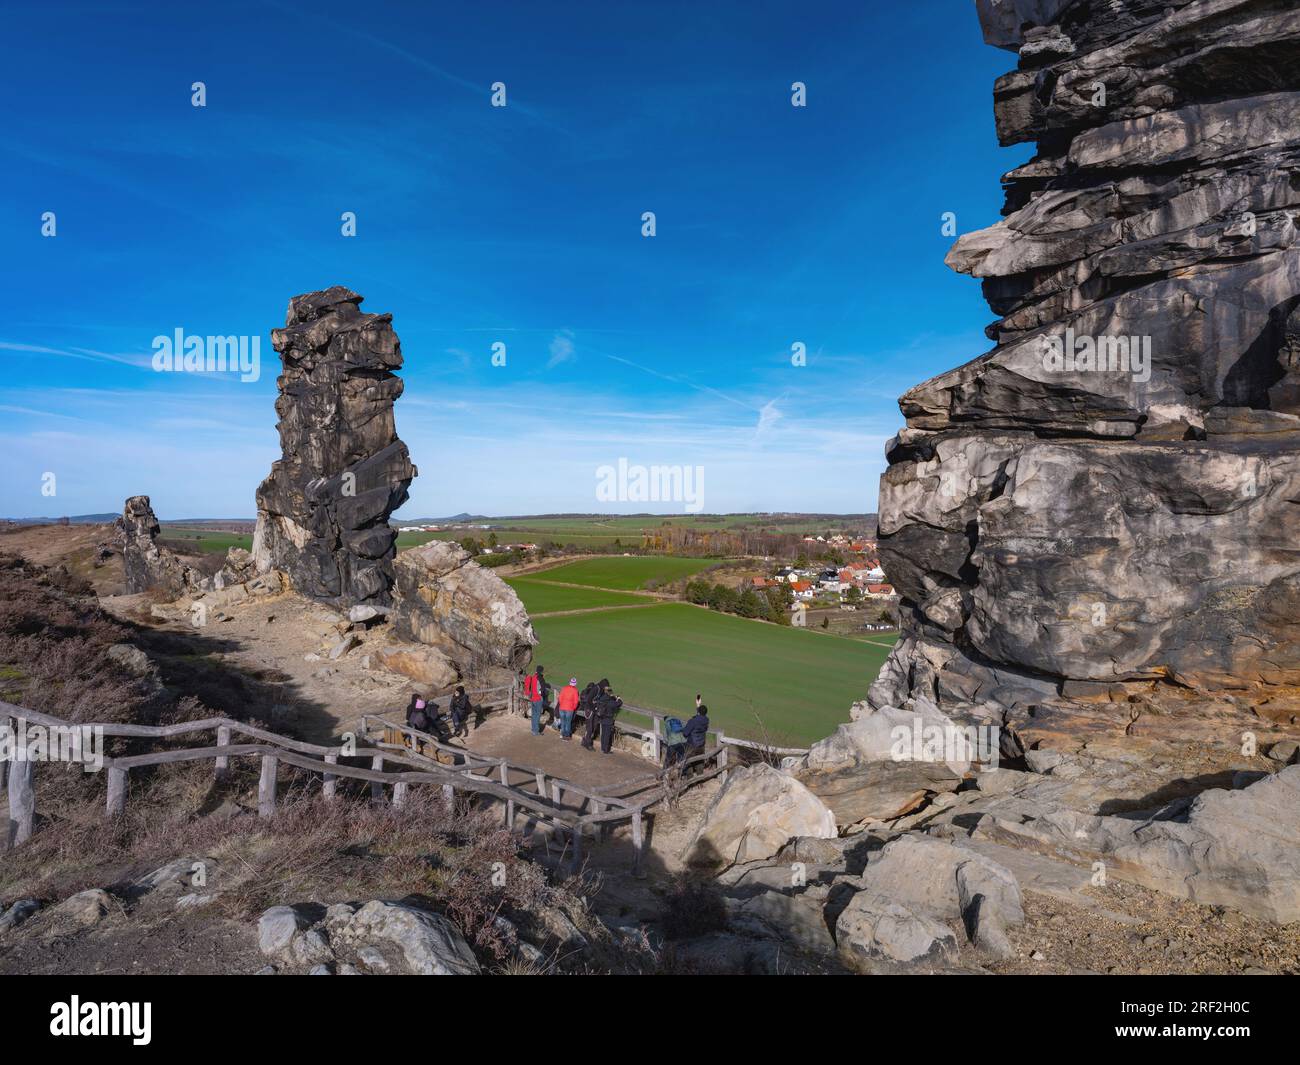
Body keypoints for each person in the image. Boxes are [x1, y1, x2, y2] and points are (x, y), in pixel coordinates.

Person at [595, 678, 622, 755]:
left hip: (602, 718)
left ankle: (602, 748)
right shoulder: (611, 702)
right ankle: (605, 750)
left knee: (603, 734)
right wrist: (618, 698)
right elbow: (619, 703)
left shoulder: (602, 699)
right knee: (607, 735)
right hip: (608, 720)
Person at [524, 665, 547, 735]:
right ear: (541, 671)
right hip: (538, 699)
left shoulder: (533, 677)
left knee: (534, 715)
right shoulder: (540, 678)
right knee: (537, 715)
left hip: (532, 698)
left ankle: (533, 729)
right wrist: (541, 693)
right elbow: (543, 688)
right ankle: (536, 731)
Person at [578, 681, 600, 749]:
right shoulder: (592, 693)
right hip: (589, 711)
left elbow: (582, 699)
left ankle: (585, 741)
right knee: (590, 728)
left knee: (589, 728)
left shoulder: (584, 691)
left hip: (585, 710)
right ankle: (588, 743)